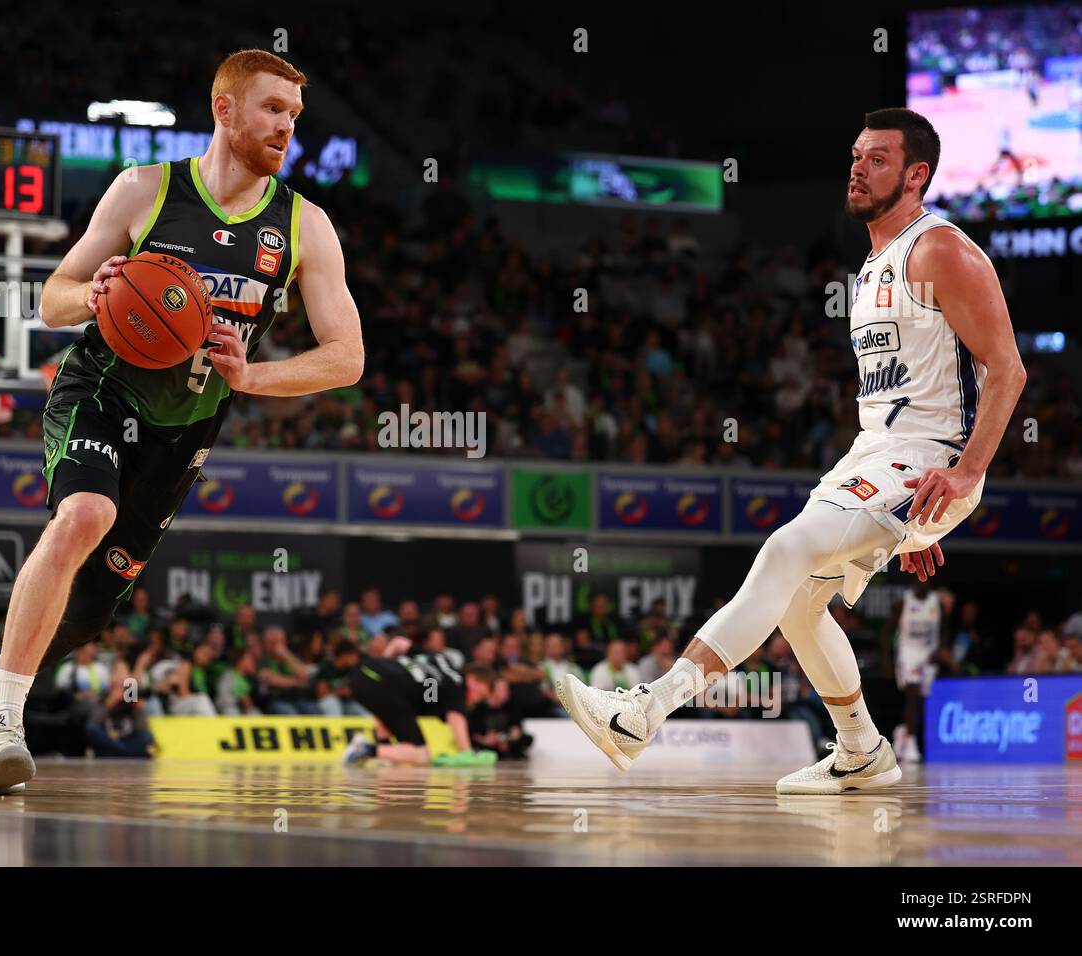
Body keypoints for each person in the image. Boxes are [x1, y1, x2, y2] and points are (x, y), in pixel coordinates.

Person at [558, 108, 1026, 794]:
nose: (858, 168)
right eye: (856, 156)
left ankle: (644, 711)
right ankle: (861, 750)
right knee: (800, 602)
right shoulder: (870, 269)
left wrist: (962, 476)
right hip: (882, 459)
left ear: (916, 174)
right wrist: (906, 528)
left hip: (925, 460)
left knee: (785, 550)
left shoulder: (940, 250)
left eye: (878, 159)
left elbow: (1008, 368)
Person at [0, 49, 364, 794]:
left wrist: (253, 375)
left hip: (188, 430)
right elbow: (53, 297)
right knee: (84, 513)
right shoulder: (145, 189)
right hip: (101, 390)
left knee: (87, 617)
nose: (286, 128)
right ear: (225, 109)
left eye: (295, 116)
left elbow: (347, 357)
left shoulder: (306, 226)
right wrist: (95, 291)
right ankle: (2, 723)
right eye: (273, 109)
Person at [340, 637, 495, 767]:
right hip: (388, 686)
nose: (476, 700)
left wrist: (385, 665)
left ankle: (382, 753)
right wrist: (468, 754)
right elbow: (457, 722)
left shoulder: (441, 661)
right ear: (473, 679)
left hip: (363, 674)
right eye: (480, 694)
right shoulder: (458, 687)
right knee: (422, 755)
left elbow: (399, 642)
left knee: (392, 713)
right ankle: (366, 749)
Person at [886, 580, 943, 762]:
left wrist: (939, 650)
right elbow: (887, 631)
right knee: (912, 696)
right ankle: (911, 741)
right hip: (908, 653)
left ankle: (903, 732)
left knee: (921, 700)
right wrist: (887, 659)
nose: (922, 581)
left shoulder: (936, 602)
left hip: (928, 653)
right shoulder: (905, 602)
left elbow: (944, 629)